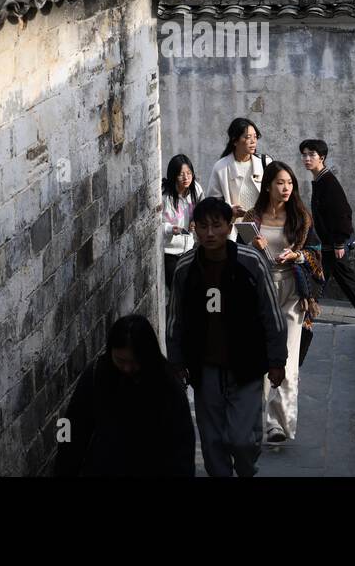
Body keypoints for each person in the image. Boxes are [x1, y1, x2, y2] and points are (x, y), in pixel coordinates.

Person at [167, 197, 287, 477]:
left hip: (245, 365)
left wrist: (277, 360)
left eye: (217, 226)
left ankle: (247, 470)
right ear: (194, 229)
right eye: (203, 227)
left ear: (229, 227)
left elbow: (272, 314)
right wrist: (176, 361)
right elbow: (175, 319)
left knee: (242, 439)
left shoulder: (251, 262)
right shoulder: (186, 269)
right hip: (204, 367)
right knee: (212, 442)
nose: (210, 234)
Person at [54, 314, 196, 477]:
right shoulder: (97, 375)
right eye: (120, 360)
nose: (127, 368)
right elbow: (74, 430)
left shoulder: (168, 386)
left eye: (134, 362)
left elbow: (182, 447)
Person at [246, 161, 316, 442]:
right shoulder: (253, 218)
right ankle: (261, 415)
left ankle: (278, 423)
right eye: (280, 183)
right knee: (262, 355)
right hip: (261, 291)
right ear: (267, 186)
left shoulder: (301, 216)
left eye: (290, 183)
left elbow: (315, 251)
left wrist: (297, 256)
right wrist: (255, 246)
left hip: (292, 290)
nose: (286, 188)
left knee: (286, 360)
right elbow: (240, 255)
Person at [300, 139, 355, 322]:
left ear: (322, 158)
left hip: (335, 244)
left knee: (337, 277)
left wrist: (339, 243)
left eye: (312, 155)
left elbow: (342, 213)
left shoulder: (328, 182)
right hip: (328, 244)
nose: (307, 158)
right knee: (322, 276)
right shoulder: (319, 180)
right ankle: (308, 309)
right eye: (304, 155)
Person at [206, 118, 272, 221]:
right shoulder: (221, 167)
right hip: (233, 231)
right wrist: (229, 210)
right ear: (235, 140)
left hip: (264, 227)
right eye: (248, 137)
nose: (253, 141)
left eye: (255, 137)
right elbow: (212, 203)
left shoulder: (265, 163)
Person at [161, 154, 203, 291]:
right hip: (169, 252)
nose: (186, 178)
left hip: (189, 248)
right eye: (181, 174)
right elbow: (154, 226)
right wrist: (169, 229)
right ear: (173, 175)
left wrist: (196, 220)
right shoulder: (164, 196)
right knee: (177, 288)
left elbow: (203, 211)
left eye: (189, 173)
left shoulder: (196, 189)